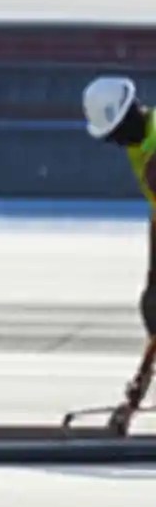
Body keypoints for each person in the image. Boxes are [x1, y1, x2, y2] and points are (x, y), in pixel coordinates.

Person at [82, 75, 156, 407]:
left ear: (128, 116)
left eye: (115, 135)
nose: (115, 144)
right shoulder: (138, 147)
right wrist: (153, 279)